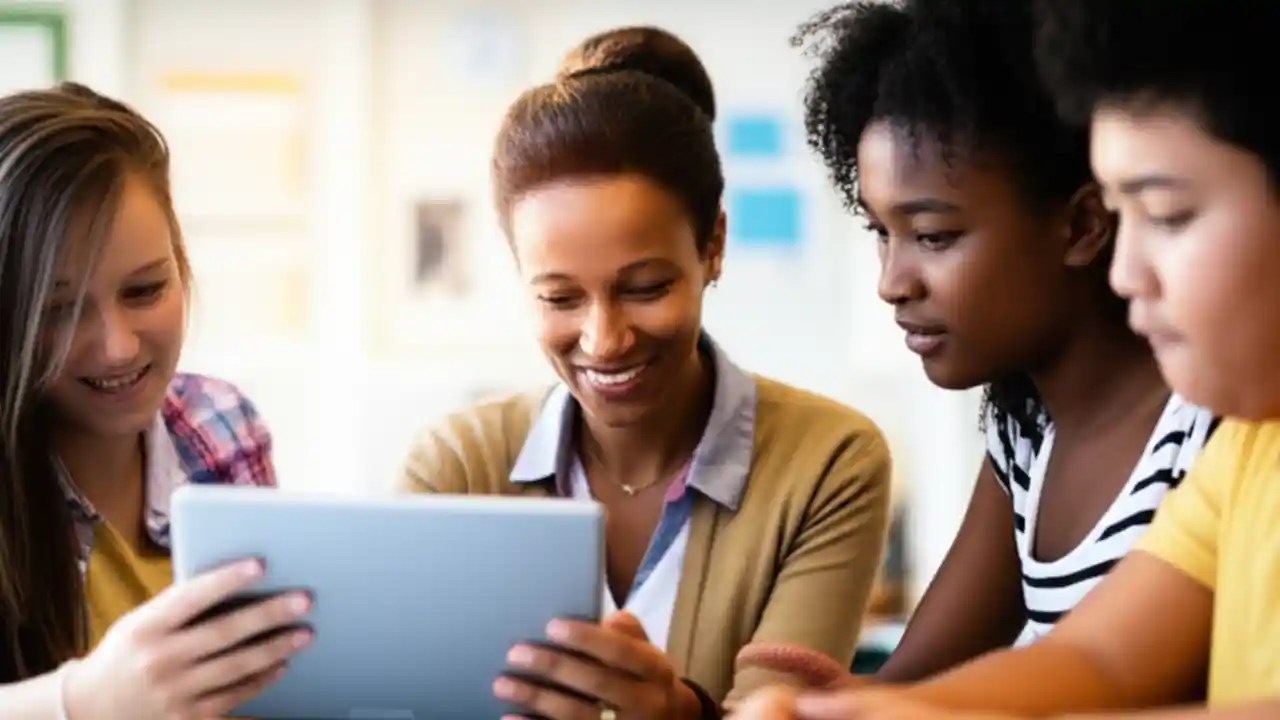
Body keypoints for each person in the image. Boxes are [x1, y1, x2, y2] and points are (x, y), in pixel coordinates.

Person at [732, 0, 1280, 717]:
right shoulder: (1249, 444)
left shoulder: (1211, 429)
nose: (1127, 269)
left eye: (1170, 216)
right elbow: (1097, 659)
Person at [396, 26, 892, 718]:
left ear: (713, 245)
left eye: (645, 287)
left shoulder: (828, 461)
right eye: (560, 297)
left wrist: (677, 711)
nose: (604, 340)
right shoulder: (454, 467)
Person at [0, 83, 312, 719]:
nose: (117, 348)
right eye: (59, 311)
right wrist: (80, 703)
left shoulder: (221, 428)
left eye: (144, 290)